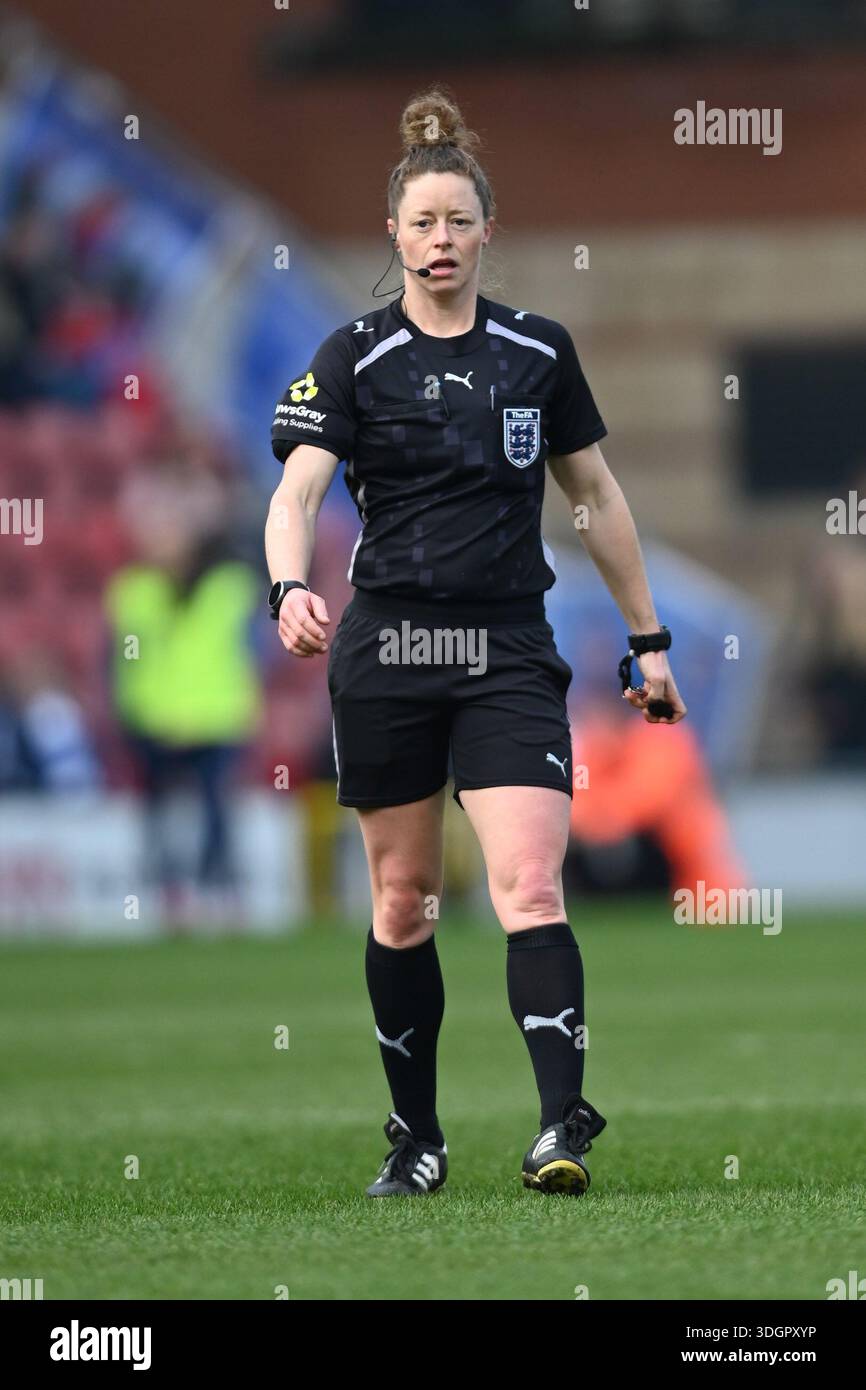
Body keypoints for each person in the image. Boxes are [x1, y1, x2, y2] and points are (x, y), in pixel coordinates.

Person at [265, 87, 686, 1198]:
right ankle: (414, 1137)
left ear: (485, 230)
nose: (440, 241)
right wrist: (283, 586)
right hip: (388, 650)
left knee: (528, 887)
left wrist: (647, 640)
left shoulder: (536, 354)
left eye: (458, 222)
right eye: (421, 223)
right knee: (402, 900)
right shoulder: (351, 356)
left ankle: (559, 1128)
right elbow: (296, 491)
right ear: (393, 234)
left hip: (505, 649)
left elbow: (593, 496)